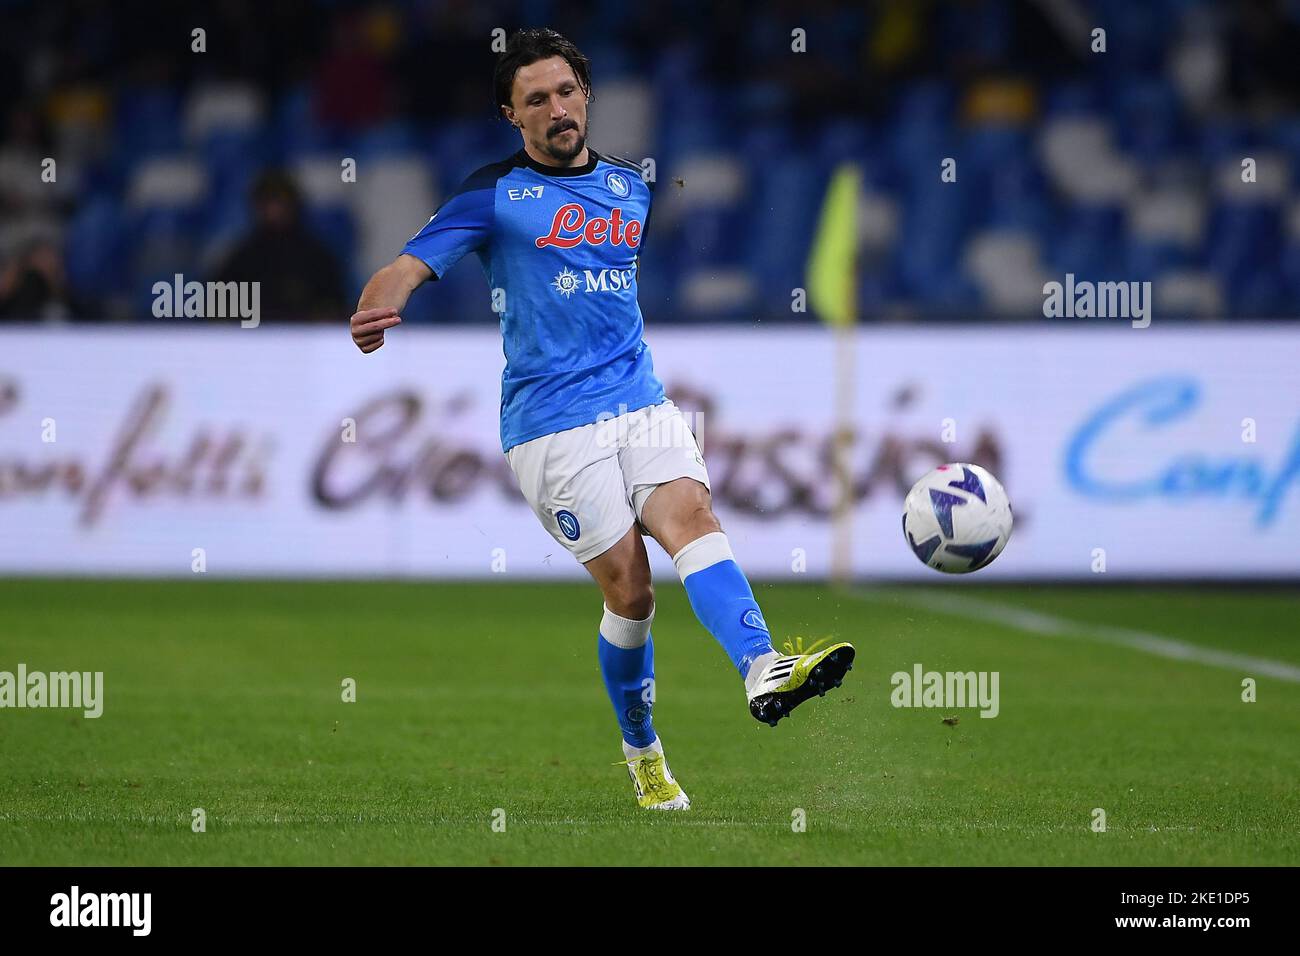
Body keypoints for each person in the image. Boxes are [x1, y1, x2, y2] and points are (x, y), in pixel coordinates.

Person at [348, 28, 854, 811]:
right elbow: (408, 263)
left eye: (567, 91)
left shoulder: (630, 189)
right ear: (512, 116)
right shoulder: (493, 194)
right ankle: (643, 754)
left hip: (641, 401)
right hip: (550, 425)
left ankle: (762, 665)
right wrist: (382, 302)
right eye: (536, 99)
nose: (557, 108)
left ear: (587, 96)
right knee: (631, 590)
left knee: (692, 515)